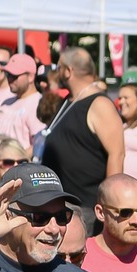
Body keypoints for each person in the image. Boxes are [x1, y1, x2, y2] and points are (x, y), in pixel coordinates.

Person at [40, 49, 127, 214]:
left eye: (59, 68)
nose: (57, 73)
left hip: (86, 208)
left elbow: (117, 154)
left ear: (68, 71)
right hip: (59, 204)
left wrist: (109, 205)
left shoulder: (99, 104)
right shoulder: (69, 101)